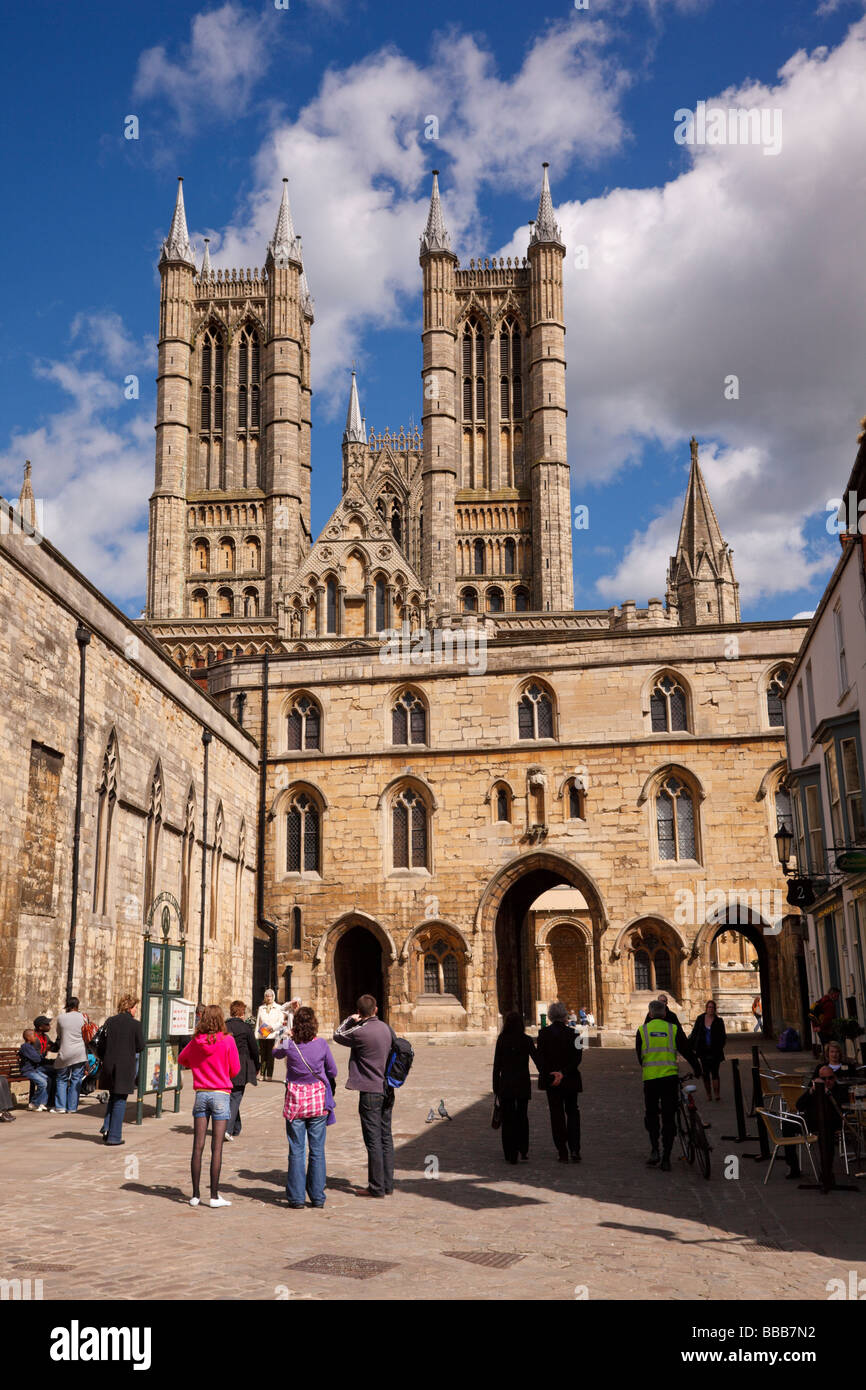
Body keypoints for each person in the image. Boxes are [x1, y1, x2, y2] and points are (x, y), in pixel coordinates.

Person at [274, 1006, 338, 1208]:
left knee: (296, 1150)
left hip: (296, 1103)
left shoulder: (290, 1044)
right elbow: (333, 1070)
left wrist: (284, 1034)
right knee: (317, 1150)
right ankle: (318, 1197)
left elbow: (276, 1053)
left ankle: (296, 1198)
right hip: (318, 1102)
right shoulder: (320, 1044)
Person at [178, 1005, 240, 1208]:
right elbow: (235, 1069)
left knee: (198, 1146)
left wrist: (199, 1065)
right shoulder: (227, 1040)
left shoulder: (197, 1040)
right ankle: (214, 1196)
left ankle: (195, 1195)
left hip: (202, 1094)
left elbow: (182, 1059)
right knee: (217, 1148)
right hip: (221, 1094)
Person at [334, 994, 394, 1199]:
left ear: (360, 1012)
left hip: (370, 1091)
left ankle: (376, 1187)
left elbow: (337, 1034)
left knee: (373, 1140)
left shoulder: (360, 1032)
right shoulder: (387, 1028)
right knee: (386, 1136)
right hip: (387, 1089)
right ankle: (387, 1184)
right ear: (376, 1010)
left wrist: (351, 1019)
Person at [636, 998, 698, 1171]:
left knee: (652, 1115)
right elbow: (687, 1051)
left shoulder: (642, 1030)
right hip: (669, 1079)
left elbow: (640, 1058)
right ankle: (666, 1157)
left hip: (650, 1080)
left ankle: (655, 1149)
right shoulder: (673, 1029)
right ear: (665, 1014)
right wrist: (698, 1069)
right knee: (669, 1118)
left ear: (649, 1014)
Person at [783, 1065, 849, 1180]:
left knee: (827, 1134)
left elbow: (842, 1106)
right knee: (787, 1124)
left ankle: (827, 1172)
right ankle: (793, 1166)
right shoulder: (813, 1090)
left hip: (831, 1122)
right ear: (817, 1079)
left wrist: (828, 1093)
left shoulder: (839, 1089)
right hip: (811, 1121)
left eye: (830, 1078)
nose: (827, 1081)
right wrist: (811, 1091)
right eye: (824, 1079)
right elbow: (799, 1105)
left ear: (834, 1078)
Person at [536, 1001, 583, 1162]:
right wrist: (563, 1073)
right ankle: (575, 1150)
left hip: (552, 1081)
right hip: (570, 1079)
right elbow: (578, 1058)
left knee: (556, 1115)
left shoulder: (543, 1034)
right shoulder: (576, 1033)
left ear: (549, 1017)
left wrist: (553, 1074)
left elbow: (540, 1059)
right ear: (564, 1016)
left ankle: (562, 1151)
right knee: (573, 1113)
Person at [95, 994, 144, 1146]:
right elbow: (140, 1046)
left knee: (113, 1097)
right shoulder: (135, 1025)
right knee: (120, 1100)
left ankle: (107, 1128)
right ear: (130, 1008)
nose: (136, 1010)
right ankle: (114, 1136)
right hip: (125, 1066)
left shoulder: (110, 1021)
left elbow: (101, 1043)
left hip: (110, 1065)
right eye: (135, 1007)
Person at [492, 1012, 539, 1163]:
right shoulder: (526, 1040)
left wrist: (495, 1088)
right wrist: (549, 1074)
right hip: (522, 1084)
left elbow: (497, 1066)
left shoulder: (502, 1039)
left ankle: (510, 1154)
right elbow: (538, 1060)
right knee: (522, 1117)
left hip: (506, 1084)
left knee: (508, 1119)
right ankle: (523, 1149)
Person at [225, 1000, 259, 1140]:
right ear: (242, 1013)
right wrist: (257, 1066)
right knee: (236, 1096)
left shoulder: (225, 1026)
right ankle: (227, 1129)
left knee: (233, 1095)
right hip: (241, 1065)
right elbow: (254, 1049)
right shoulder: (246, 1028)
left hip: (227, 1064)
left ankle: (236, 1127)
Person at [52, 997, 90, 1114]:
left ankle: (60, 1107)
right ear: (77, 1005)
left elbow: (59, 1034)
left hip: (65, 1051)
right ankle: (72, 1107)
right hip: (79, 1052)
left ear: (66, 1005)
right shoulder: (83, 1017)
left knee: (61, 1079)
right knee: (76, 1079)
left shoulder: (61, 1018)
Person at [689, 999, 727, 1103]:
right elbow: (695, 1033)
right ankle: (708, 1094)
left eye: (712, 1008)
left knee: (715, 1072)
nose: (710, 1009)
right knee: (705, 1073)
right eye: (709, 1007)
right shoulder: (700, 1019)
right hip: (703, 1051)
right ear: (706, 1008)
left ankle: (717, 1094)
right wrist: (692, 1046)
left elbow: (723, 1036)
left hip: (715, 1051)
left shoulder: (719, 1021)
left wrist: (720, 1046)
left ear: (715, 1009)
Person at [255, 990, 284, 1081]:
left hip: (273, 1034)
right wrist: (256, 1034)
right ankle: (262, 1074)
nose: (268, 998)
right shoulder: (261, 1008)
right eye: (267, 996)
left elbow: (281, 1022)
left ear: (273, 996)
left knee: (271, 1056)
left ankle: (269, 1075)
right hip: (263, 1035)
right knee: (263, 1055)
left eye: (270, 996)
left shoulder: (278, 1008)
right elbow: (258, 1022)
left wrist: (273, 1027)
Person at [20, 1030, 51, 1111]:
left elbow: (38, 1057)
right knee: (42, 1083)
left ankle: (41, 1103)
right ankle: (33, 1103)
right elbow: (37, 1059)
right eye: (34, 1036)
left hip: (34, 1070)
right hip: (28, 1071)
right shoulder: (25, 1047)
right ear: (28, 1037)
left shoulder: (31, 1046)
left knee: (48, 1080)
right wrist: (40, 1057)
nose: (36, 1037)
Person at [32, 1016, 57, 1107]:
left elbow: (53, 1048)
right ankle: (47, 1101)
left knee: (57, 1073)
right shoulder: (33, 1038)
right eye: (46, 1024)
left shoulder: (45, 1037)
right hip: (35, 1066)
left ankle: (50, 1101)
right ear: (40, 1027)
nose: (49, 1026)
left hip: (42, 1063)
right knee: (56, 1072)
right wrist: (45, 1051)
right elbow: (35, 1057)